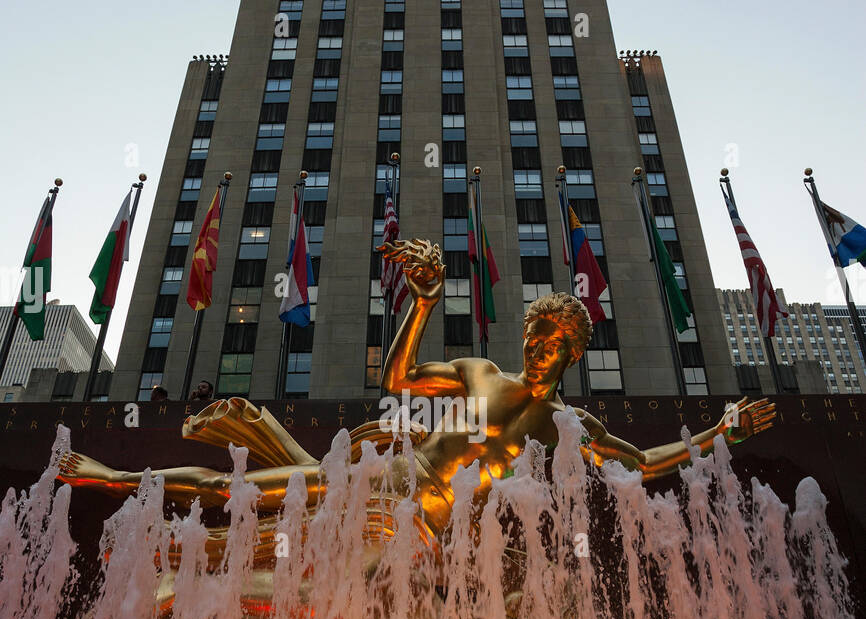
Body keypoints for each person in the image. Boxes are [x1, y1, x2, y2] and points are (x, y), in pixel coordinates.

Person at [56, 240, 775, 543]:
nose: (538, 346)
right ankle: (119, 476)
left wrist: (726, 431)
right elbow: (397, 380)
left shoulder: (569, 425)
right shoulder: (482, 375)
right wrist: (425, 302)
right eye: (533, 335)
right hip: (393, 474)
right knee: (254, 493)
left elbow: (643, 465)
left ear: (574, 350)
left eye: (552, 339)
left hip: (429, 521)